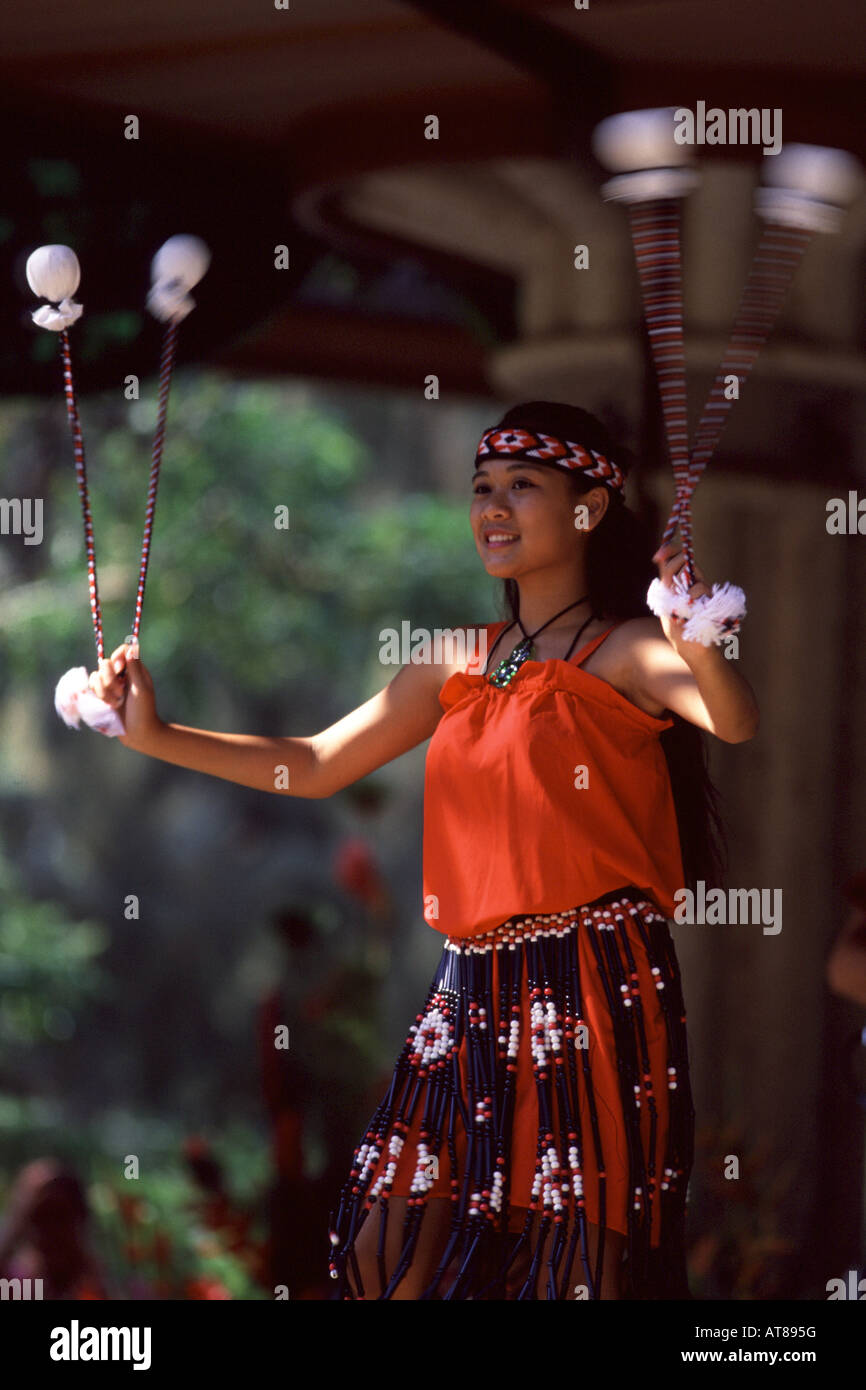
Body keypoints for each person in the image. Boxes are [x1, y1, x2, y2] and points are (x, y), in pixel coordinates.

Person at [84, 401, 759, 1300]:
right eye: (483, 488)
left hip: (593, 978)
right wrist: (154, 733)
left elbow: (733, 719)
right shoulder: (453, 660)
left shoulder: (631, 649)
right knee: (381, 1252)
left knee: (575, 1268)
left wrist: (696, 638)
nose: (493, 507)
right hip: (468, 985)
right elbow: (313, 764)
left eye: (523, 486)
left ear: (589, 509)